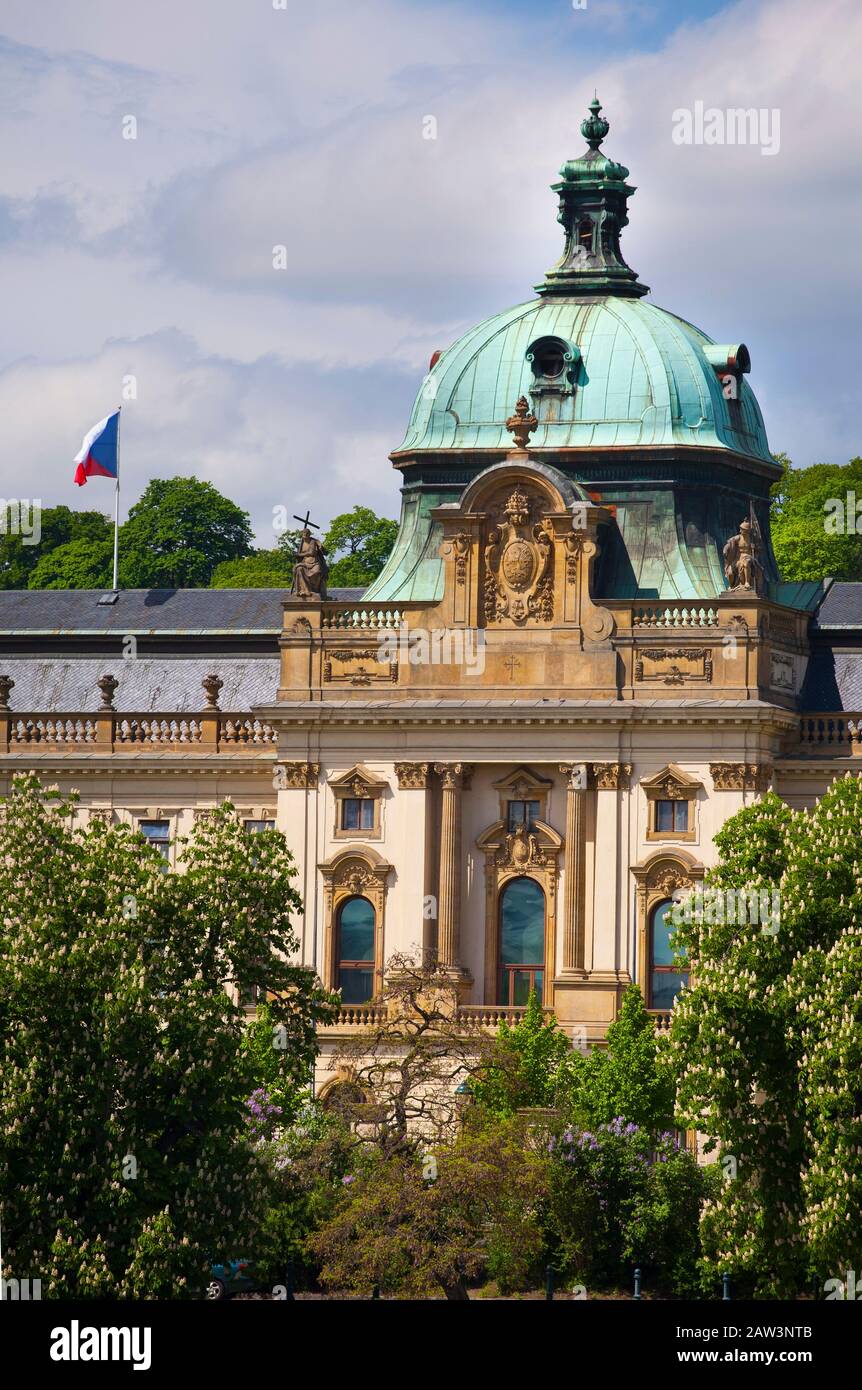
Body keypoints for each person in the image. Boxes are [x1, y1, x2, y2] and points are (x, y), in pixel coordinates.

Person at [290, 528, 328, 599]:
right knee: (299, 569)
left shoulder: (312, 541)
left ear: (309, 535)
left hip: (314, 563)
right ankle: (304, 590)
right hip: (305, 563)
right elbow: (299, 556)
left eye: (306, 534)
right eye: (304, 534)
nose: (305, 536)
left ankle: (314, 589)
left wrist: (299, 554)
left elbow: (311, 552)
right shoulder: (301, 543)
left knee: (317, 572)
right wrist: (296, 555)